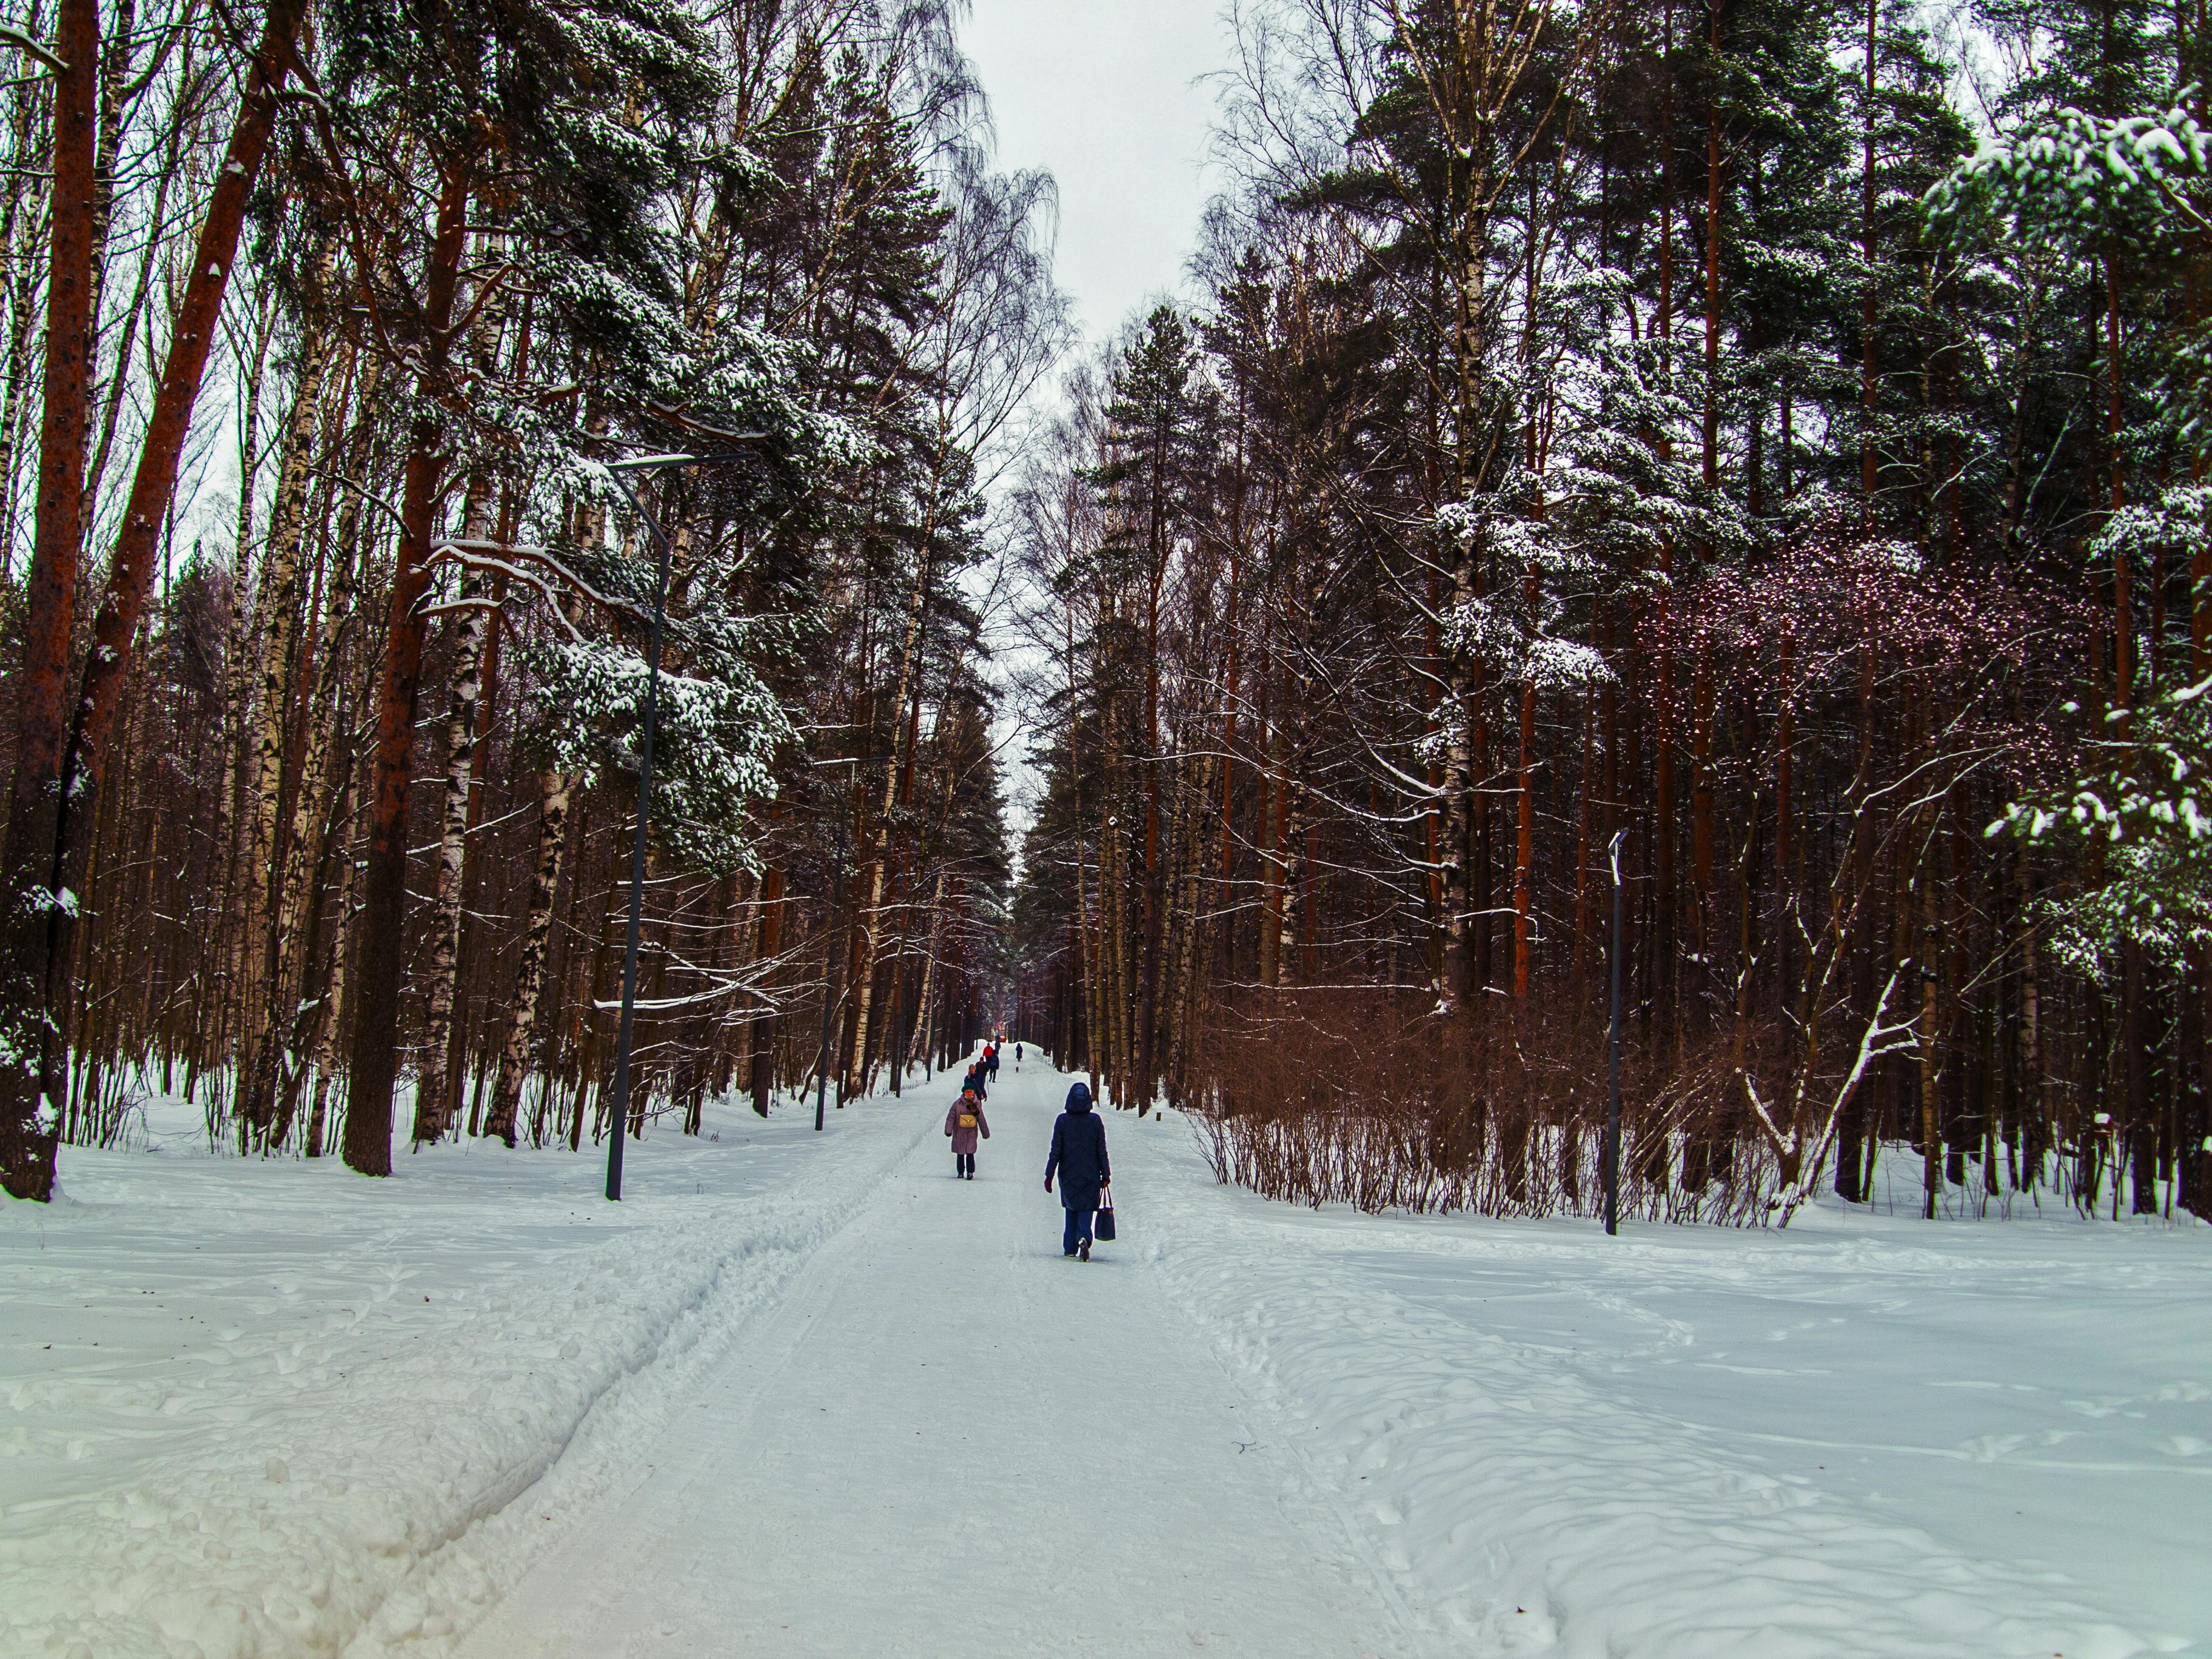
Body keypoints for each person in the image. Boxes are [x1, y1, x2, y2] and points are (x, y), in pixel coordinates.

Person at [1044, 1080, 1110, 1261]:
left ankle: (1070, 1247)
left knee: (1071, 1208)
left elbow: (1055, 1150)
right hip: (1091, 1175)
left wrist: (1049, 1175)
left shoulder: (1062, 1121)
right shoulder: (1095, 1121)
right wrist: (1106, 1174)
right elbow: (1101, 1150)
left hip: (1068, 1175)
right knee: (1086, 1208)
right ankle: (1084, 1237)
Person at [945, 1085, 988, 1179]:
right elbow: (951, 1118)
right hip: (959, 1132)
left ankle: (970, 1172)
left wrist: (985, 1133)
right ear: (964, 1093)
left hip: (971, 1133)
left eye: (971, 1092)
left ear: (973, 1093)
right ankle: (960, 1171)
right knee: (960, 1152)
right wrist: (949, 1130)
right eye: (967, 1092)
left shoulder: (976, 1104)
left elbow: (981, 1119)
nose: (969, 1094)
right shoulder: (957, 1104)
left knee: (970, 1151)